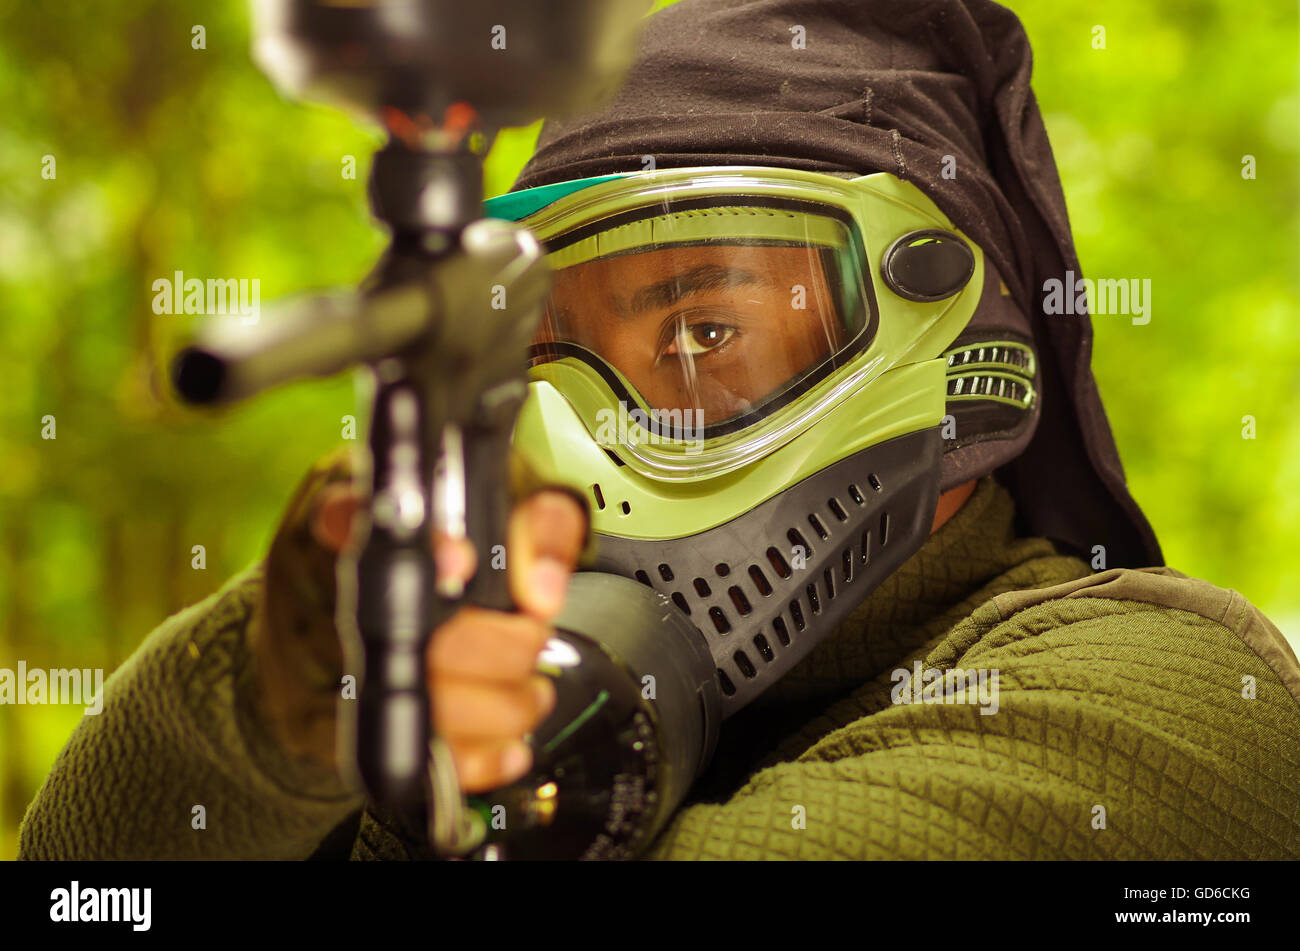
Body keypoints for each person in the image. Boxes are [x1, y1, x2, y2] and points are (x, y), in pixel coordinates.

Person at [19, 0, 1300, 860]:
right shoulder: (498, 673)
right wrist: (269, 702)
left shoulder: (1174, 716)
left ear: (940, 317)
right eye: (543, 358)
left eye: (701, 334)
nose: (583, 442)